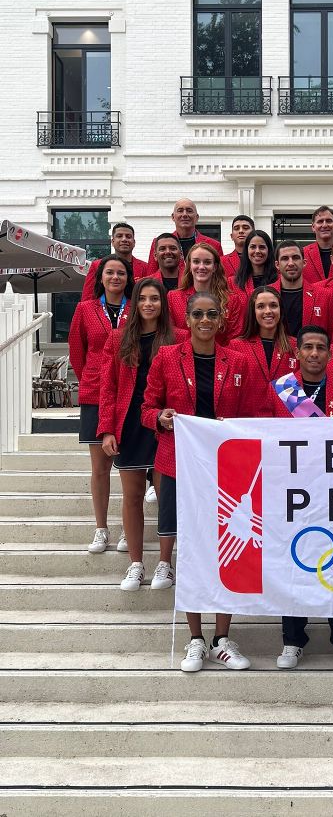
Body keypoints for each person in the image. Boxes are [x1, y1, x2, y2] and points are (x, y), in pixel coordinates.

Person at [141, 291, 252, 673]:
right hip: (178, 464)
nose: (205, 320)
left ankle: (222, 638)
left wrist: (236, 429)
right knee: (190, 550)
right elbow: (146, 408)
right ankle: (195, 639)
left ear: (221, 320)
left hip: (227, 470)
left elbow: (254, 413)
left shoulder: (237, 360)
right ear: (186, 320)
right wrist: (161, 417)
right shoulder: (168, 357)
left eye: (212, 314)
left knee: (228, 550)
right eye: (198, 314)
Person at [266, 325, 333, 670]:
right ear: (297, 353)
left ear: (330, 352)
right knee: (293, 565)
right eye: (306, 346)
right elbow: (262, 434)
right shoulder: (279, 390)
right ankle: (293, 640)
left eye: (320, 347)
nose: (313, 353)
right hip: (293, 494)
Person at [98, 278, 179, 590]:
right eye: (143, 298)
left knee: (165, 497)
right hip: (130, 423)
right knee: (132, 497)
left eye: (155, 299)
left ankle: (164, 563)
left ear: (163, 304)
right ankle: (135, 564)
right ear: (135, 303)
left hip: (163, 425)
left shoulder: (176, 338)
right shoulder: (118, 338)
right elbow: (108, 387)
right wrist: (106, 429)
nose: (149, 304)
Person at [69, 255, 134, 553]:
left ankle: (126, 528)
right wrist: (93, 378)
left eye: (121, 272)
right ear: (101, 277)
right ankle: (101, 528)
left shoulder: (135, 308)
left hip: (130, 392)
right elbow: (77, 351)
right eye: (110, 272)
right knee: (100, 467)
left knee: (128, 465)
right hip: (96, 392)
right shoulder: (85, 309)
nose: (116, 277)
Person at [228, 286, 298, 416]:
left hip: (286, 425)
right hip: (250, 423)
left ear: (281, 310)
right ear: (252, 312)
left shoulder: (295, 346)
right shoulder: (236, 346)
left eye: (273, 306)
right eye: (260, 306)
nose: (268, 311)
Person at [168, 242, 244, 345]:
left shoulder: (232, 300)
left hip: (222, 359)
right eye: (196, 262)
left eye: (207, 262)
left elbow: (235, 340)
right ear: (190, 266)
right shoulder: (173, 297)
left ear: (215, 267)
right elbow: (169, 332)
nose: (201, 267)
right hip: (182, 357)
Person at [146, 198, 222, 274]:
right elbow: (151, 276)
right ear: (173, 217)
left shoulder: (214, 245)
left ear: (197, 217)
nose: (185, 214)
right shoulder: (159, 243)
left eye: (189, 211)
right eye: (180, 211)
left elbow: (220, 276)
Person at [81, 223, 147, 300]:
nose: (124, 239)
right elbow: (87, 297)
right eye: (119, 236)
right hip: (103, 311)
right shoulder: (97, 265)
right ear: (112, 242)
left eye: (128, 237)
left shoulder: (145, 267)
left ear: (134, 242)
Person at [274, 239, 315, 338]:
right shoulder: (263, 295)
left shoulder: (324, 296)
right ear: (277, 265)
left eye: (295, 258)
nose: (291, 263)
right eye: (285, 258)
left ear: (304, 262)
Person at [230, 229, 278, 301]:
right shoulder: (233, 282)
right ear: (246, 250)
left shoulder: (279, 279)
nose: (257, 251)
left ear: (269, 250)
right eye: (253, 247)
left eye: (262, 247)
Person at [302, 205, 333, 285]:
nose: (325, 225)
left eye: (329, 221)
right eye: (320, 221)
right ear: (313, 227)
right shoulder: (302, 254)